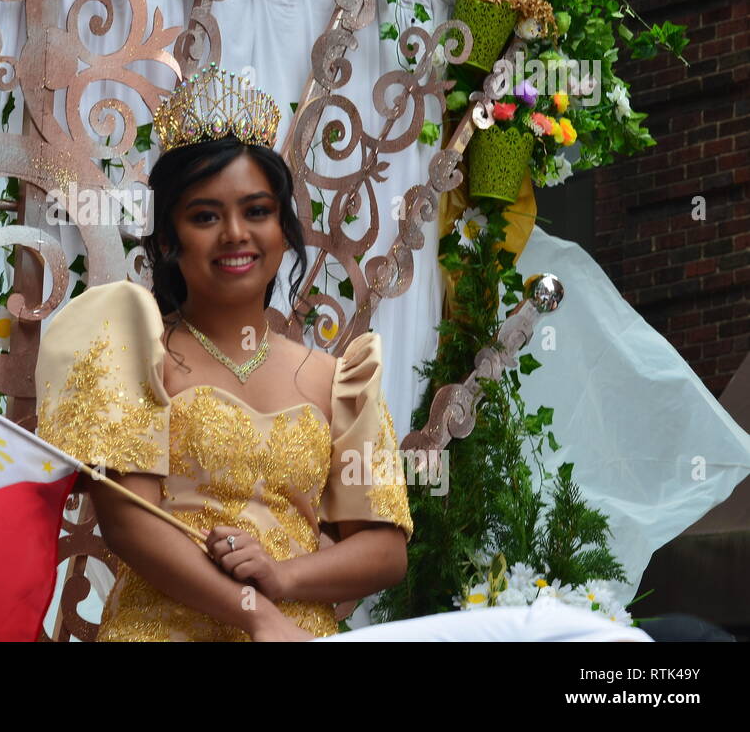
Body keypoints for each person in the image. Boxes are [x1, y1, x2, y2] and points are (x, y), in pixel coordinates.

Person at [34, 65, 650, 642]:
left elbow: (384, 549)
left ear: (282, 231)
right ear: (169, 238)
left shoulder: (335, 379)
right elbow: (129, 524)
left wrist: (282, 580)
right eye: (204, 216)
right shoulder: (134, 348)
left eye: (257, 212)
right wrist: (253, 615)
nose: (235, 235)